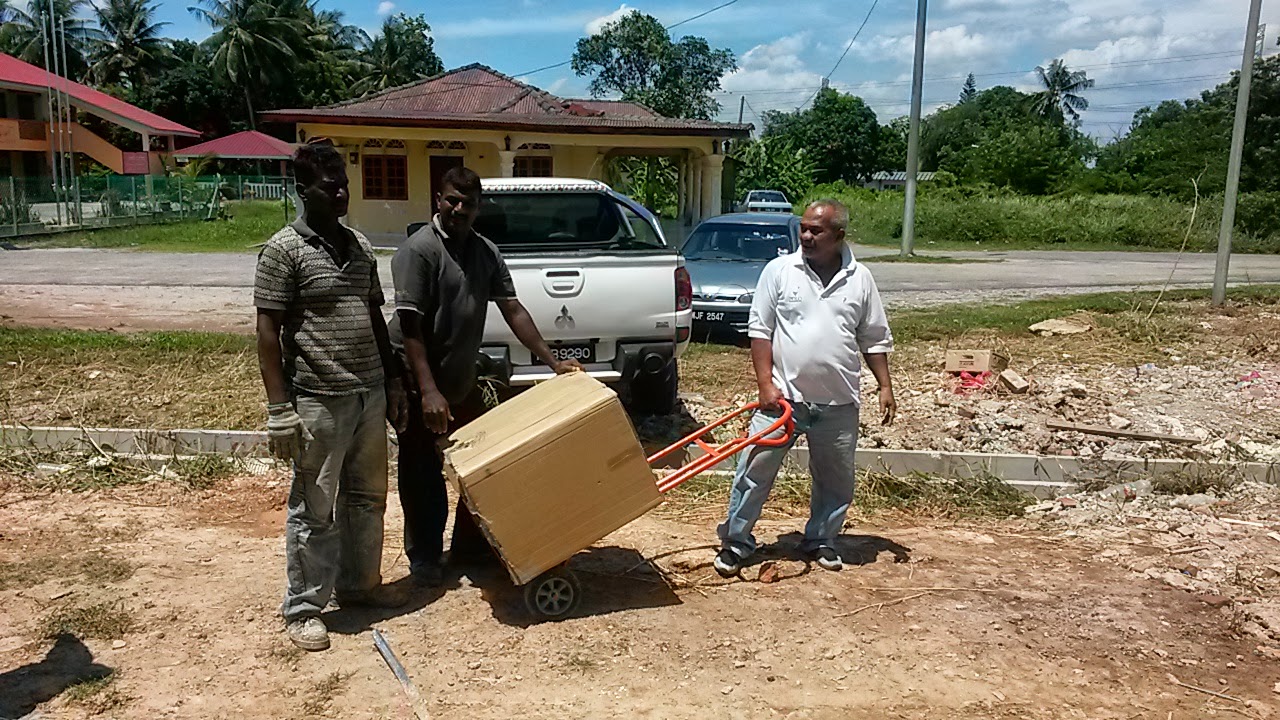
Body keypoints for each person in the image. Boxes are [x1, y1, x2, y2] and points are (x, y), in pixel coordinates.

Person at [389, 166, 580, 586]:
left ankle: (469, 549)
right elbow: (410, 328)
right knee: (423, 471)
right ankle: (424, 558)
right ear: (437, 200)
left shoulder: (485, 252)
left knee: (484, 464)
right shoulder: (418, 251)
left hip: (460, 380)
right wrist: (428, 392)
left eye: (468, 204)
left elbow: (513, 309)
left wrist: (552, 362)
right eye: (451, 200)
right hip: (416, 380)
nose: (459, 209)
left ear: (478, 208)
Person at [254, 141, 410, 652]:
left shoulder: (361, 247)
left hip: (368, 396)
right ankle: (303, 609)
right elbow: (267, 332)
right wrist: (280, 410)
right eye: (330, 185)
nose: (342, 192)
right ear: (303, 192)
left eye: (345, 182)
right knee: (314, 506)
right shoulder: (283, 250)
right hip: (318, 400)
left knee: (367, 499)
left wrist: (391, 384)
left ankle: (360, 586)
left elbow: (373, 318)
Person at [713, 198, 897, 578]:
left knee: (835, 479)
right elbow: (760, 331)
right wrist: (766, 384)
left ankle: (821, 539)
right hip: (781, 400)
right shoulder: (780, 270)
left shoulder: (860, 278)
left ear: (839, 235)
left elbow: (873, 336)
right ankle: (736, 542)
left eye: (817, 230)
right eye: (804, 228)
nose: (807, 236)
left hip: (838, 402)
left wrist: (885, 385)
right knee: (753, 471)